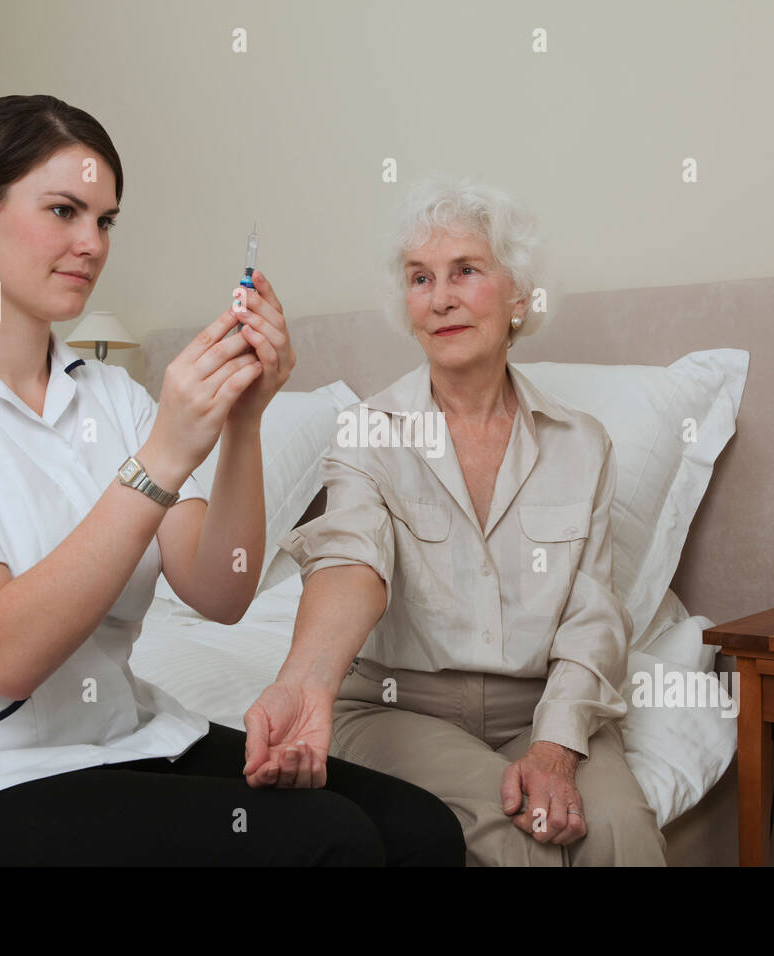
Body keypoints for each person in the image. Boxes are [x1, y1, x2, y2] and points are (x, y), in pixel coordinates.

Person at [0, 95, 463, 867]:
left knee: (424, 830)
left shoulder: (111, 397)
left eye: (105, 220)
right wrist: (158, 458)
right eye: (63, 211)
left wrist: (244, 423)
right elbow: (4, 655)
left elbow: (220, 594)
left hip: (118, 739)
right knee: (332, 842)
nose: (90, 244)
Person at [243, 174, 667, 866]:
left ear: (518, 295)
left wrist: (554, 750)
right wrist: (304, 682)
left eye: (465, 271)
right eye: (419, 278)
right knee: (520, 843)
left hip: (540, 707)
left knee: (619, 836)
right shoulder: (366, 432)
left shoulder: (581, 442)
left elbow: (594, 616)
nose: (440, 299)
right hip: (395, 706)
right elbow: (349, 561)